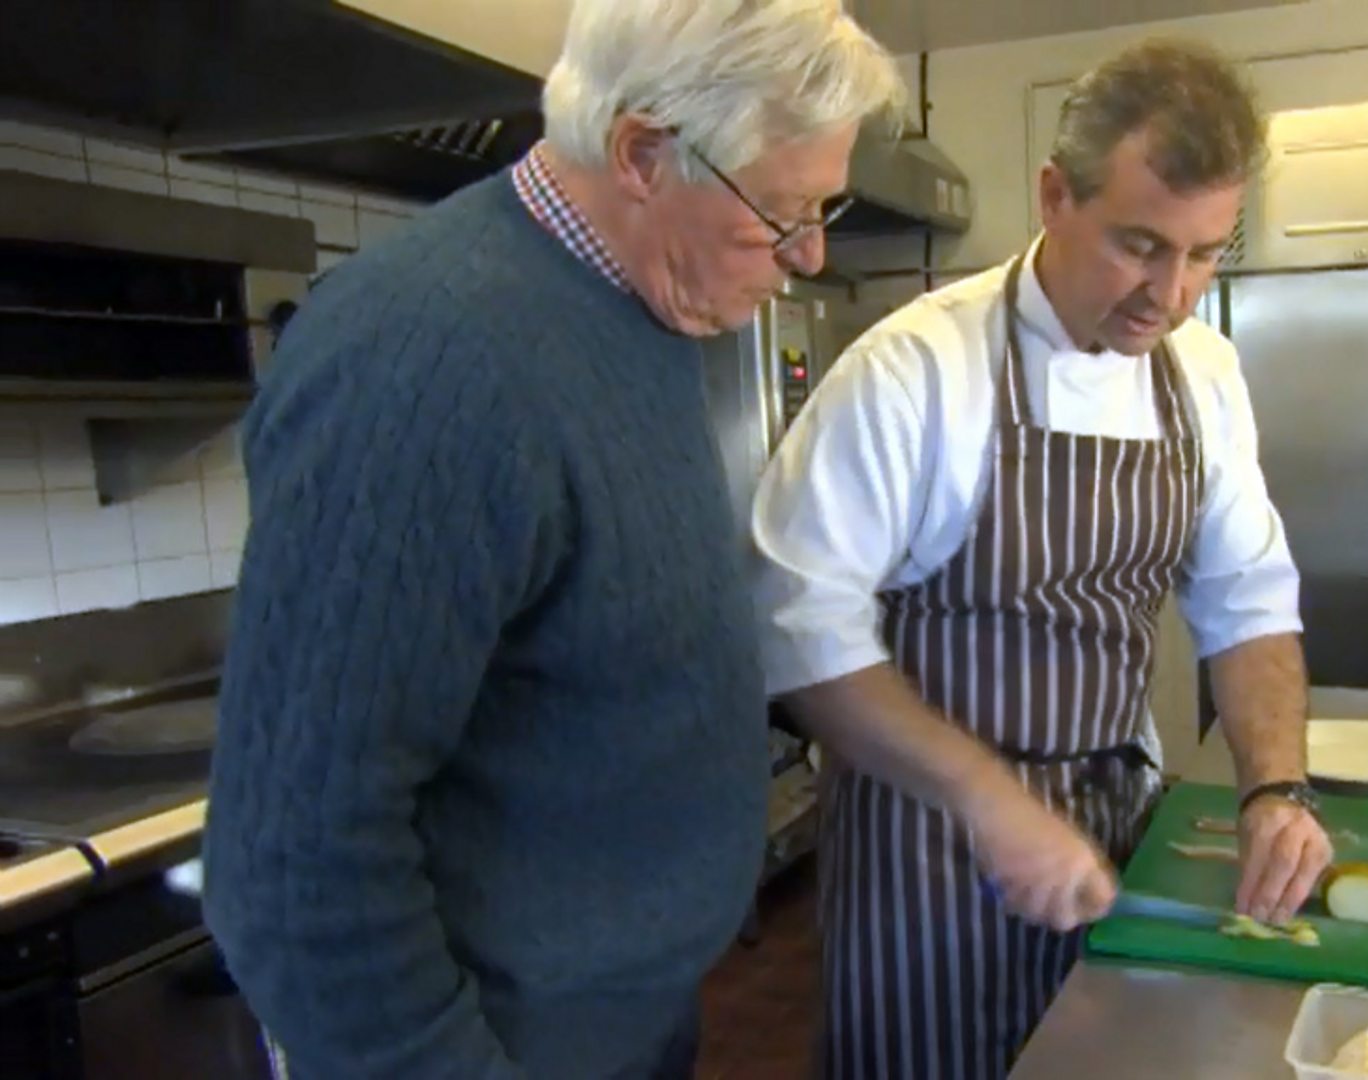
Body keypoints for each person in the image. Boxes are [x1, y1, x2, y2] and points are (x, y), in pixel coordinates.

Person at [201, 2, 900, 1077]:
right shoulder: (425, 362)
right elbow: (297, 864)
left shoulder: (643, 308)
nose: (807, 256)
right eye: (783, 213)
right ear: (640, 153)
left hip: (628, 1022)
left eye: (824, 210)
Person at [753, 38, 1331, 1079]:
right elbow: (797, 633)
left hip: (1116, 838)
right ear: (1055, 194)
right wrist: (989, 798)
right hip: (926, 860)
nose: (1171, 293)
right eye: (1140, 245)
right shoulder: (917, 371)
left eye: (1206, 254)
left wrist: (1273, 791)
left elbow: (1247, 602)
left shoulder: (1203, 373)